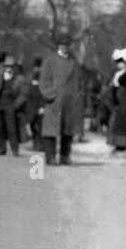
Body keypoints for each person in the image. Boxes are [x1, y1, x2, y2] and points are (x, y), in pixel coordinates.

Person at [39, 31, 84, 166]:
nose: (64, 47)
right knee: (50, 130)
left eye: (67, 44)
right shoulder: (50, 61)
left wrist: (77, 98)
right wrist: (51, 94)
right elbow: (43, 82)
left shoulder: (74, 62)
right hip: (54, 101)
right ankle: (50, 157)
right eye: (61, 44)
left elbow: (79, 82)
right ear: (58, 46)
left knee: (67, 130)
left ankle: (65, 156)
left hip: (70, 101)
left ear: (70, 45)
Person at [0, 55, 28, 157]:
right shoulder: (0, 77)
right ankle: (2, 149)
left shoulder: (19, 79)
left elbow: (23, 94)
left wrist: (16, 105)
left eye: (10, 66)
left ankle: (15, 150)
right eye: (6, 66)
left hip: (10, 105)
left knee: (12, 129)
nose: (8, 68)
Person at [108, 49, 126, 151]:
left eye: (121, 62)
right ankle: (118, 143)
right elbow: (114, 89)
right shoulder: (117, 74)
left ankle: (125, 144)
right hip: (118, 100)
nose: (119, 64)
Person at [27, 58, 44, 151]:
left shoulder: (43, 77)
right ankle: (35, 143)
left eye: (38, 67)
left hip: (39, 105)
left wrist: (42, 106)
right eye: (35, 67)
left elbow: (43, 93)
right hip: (32, 106)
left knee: (39, 126)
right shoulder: (32, 77)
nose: (36, 69)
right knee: (32, 125)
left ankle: (40, 145)